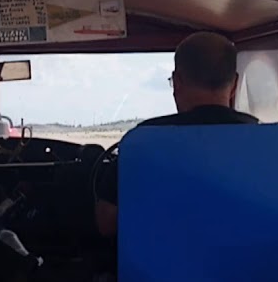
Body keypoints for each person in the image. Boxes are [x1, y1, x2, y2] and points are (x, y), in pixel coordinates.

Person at [93, 31, 258, 237]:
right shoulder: (267, 143)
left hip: (155, 268)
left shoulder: (144, 142)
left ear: (177, 82)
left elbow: (107, 223)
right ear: (234, 84)